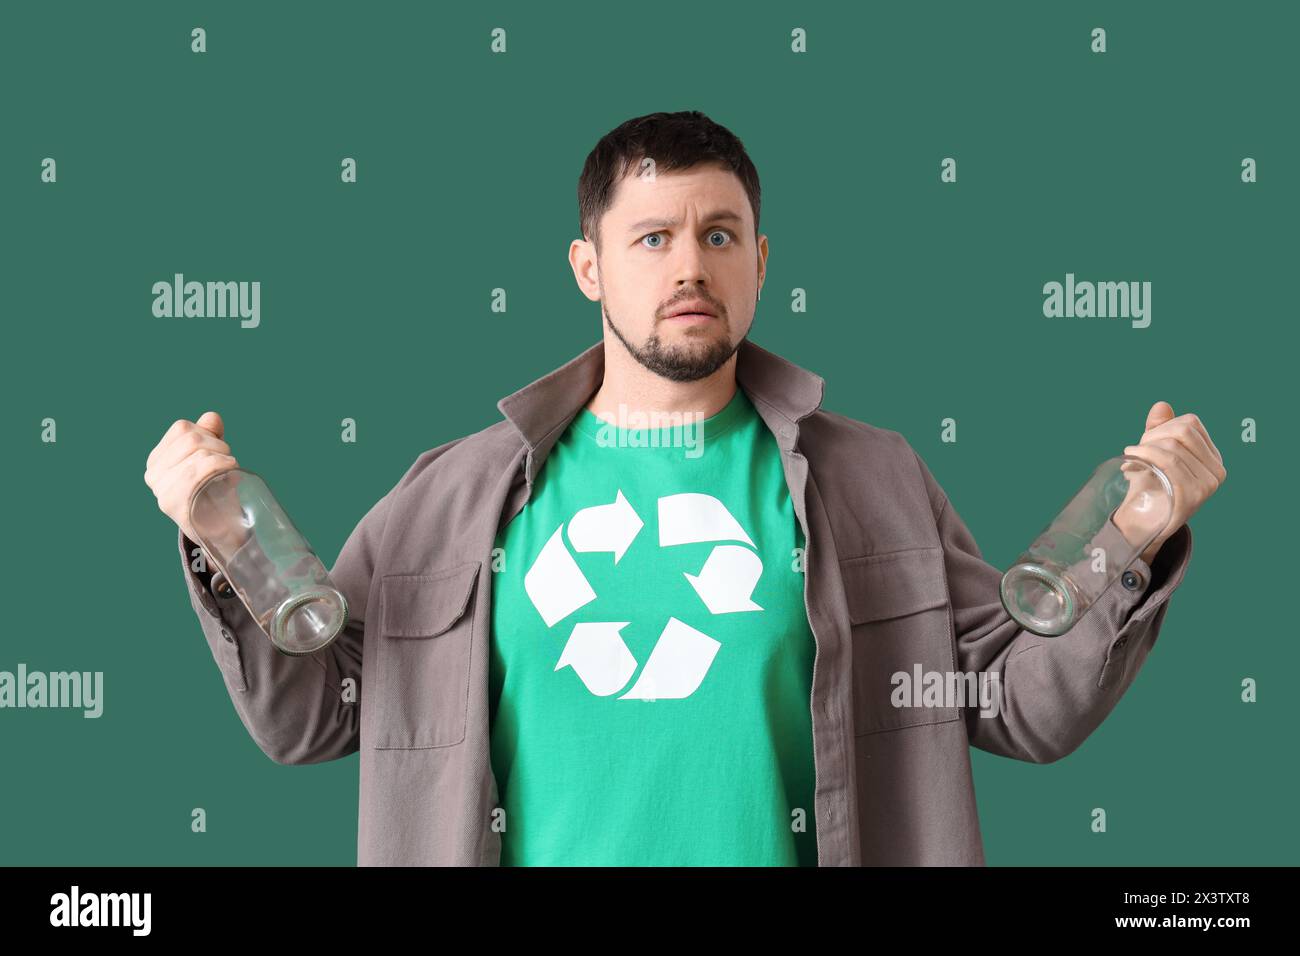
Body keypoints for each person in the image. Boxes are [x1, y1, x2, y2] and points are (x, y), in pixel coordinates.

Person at [144, 110, 1224, 866]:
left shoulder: (875, 479)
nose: (687, 269)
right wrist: (227, 541)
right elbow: (312, 717)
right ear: (588, 268)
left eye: (717, 236)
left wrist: (1122, 537)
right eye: (650, 238)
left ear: (761, 258)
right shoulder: (447, 496)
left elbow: (1009, 702)